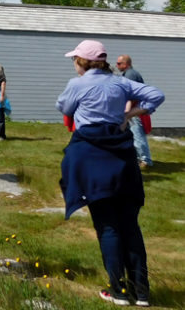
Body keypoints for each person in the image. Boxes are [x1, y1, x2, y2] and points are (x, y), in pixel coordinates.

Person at [57, 40, 164, 307]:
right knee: (130, 224)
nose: (73, 63)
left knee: (107, 226)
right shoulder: (121, 83)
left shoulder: (77, 84)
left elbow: (65, 108)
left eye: (74, 59)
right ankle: (141, 292)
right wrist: (130, 114)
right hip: (122, 154)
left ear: (82, 61)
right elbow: (156, 95)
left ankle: (118, 291)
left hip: (92, 156)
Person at [116, 55, 153, 168]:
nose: (117, 66)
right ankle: (138, 158)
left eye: (119, 63)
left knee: (137, 135)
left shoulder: (130, 75)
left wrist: (127, 111)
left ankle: (145, 160)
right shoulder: (129, 74)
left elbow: (131, 94)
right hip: (134, 109)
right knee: (133, 135)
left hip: (134, 110)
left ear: (126, 64)